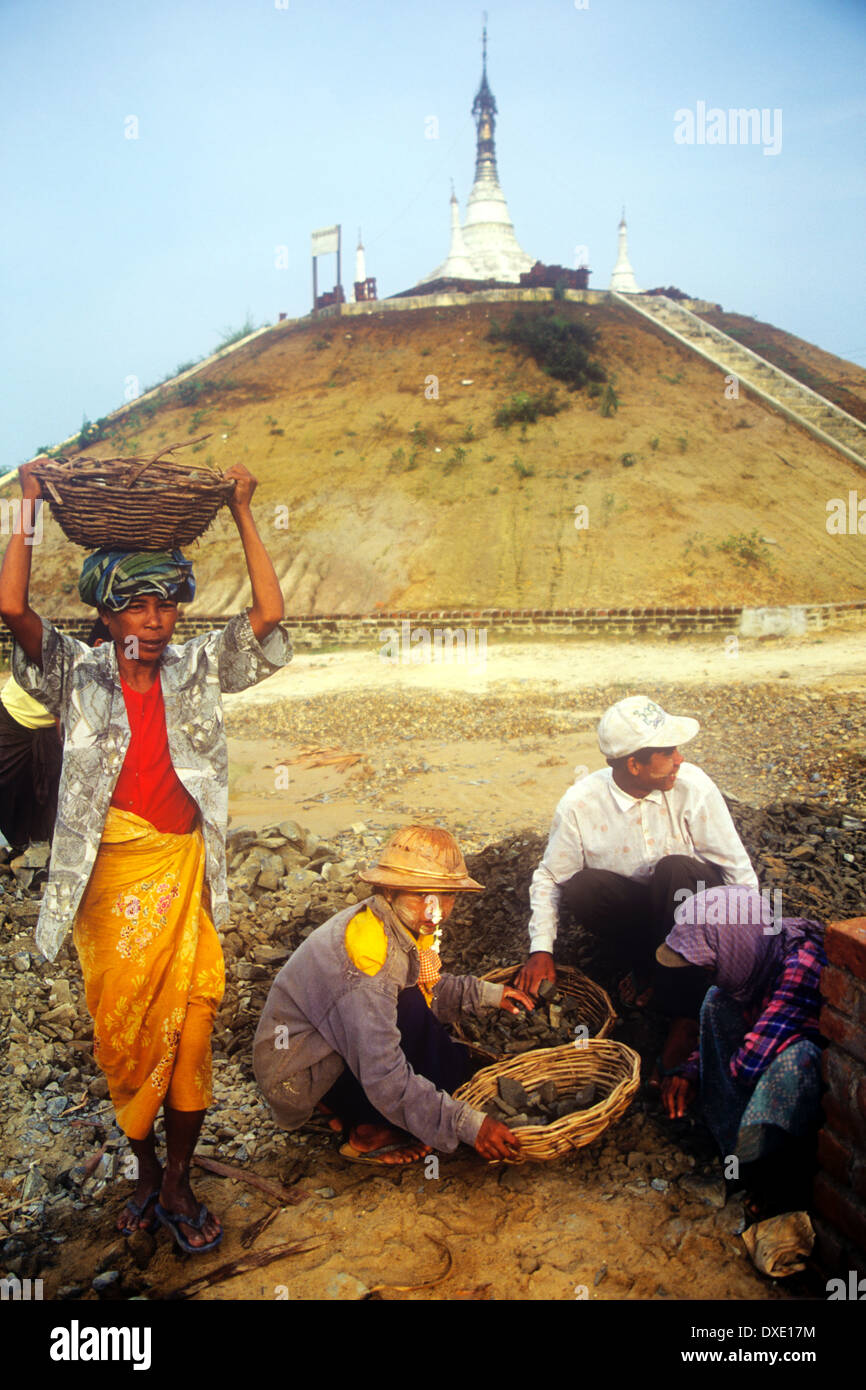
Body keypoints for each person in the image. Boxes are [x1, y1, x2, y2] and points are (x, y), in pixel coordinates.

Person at [0, 458, 290, 1253]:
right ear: (109, 614)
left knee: (192, 1030)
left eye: (167, 604)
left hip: (182, 874)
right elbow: (10, 605)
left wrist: (241, 509)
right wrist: (27, 503)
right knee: (125, 1037)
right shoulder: (78, 674)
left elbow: (268, 612)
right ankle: (138, 1171)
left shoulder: (199, 670)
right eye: (138, 607)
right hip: (110, 882)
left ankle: (178, 1180)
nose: (157, 621)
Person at [254, 824, 531, 1166]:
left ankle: (344, 1108)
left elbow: (430, 988)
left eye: (447, 896)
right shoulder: (369, 958)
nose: (437, 911)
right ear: (389, 891)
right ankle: (366, 1130)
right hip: (295, 1074)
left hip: (324, 1046)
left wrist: (489, 994)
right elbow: (384, 1073)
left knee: (421, 1021)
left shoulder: (395, 923)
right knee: (437, 1061)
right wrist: (467, 1124)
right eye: (422, 896)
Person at [515, 695, 758, 1014]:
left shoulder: (693, 786)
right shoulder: (580, 803)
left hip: (694, 905)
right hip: (646, 919)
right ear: (634, 765)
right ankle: (649, 962)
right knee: (583, 887)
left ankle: (681, 1006)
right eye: (669, 751)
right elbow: (550, 877)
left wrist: (755, 940)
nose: (680, 758)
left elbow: (735, 866)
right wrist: (541, 950)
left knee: (674, 871)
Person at [657, 886, 826, 1215]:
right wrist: (691, 1070)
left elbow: (749, 1065)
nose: (708, 972)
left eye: (710, 963)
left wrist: (702, 1071)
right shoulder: (759, 946)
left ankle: (778, 1178)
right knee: (716, 1001)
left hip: (812, 1089)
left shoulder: (800, 964)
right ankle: (733, 1148)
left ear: (735, 946)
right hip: (765, 1052)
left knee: (794, 1063)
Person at [0, 617, 111, 852]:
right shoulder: (63, 657)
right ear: (100, 644)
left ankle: (48, 855)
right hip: (12, 723)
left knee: (59, 796)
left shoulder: (102, 675)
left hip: (48, 733)